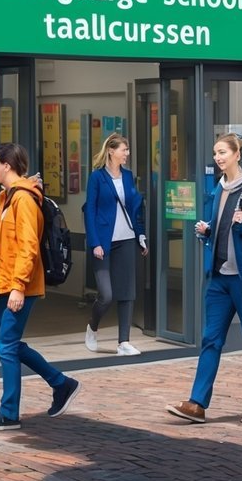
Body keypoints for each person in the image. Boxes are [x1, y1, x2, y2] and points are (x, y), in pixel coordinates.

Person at [167, 133, 242, 424]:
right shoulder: (219, 188)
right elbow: (220, 226)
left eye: (223, 152)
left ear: (237, 154)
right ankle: (197, 404)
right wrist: (207, 230)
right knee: (210, 339)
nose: (218, 158)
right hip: (219, 277)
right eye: (215, 153)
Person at [0, 143, 82, 430]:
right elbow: (6, 242)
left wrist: (19, 287)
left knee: (6, 347)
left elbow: (29, 246)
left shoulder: (23, 199)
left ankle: (9, 413)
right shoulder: (5, 198)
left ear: (7, 165)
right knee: (10, 344)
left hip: (19, 285)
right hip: (4, 282)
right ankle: (61, 383)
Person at [82, 133, 148, 356]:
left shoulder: (128, 177)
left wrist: (141, 236)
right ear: (111, 151)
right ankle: (92, 326)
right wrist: (95, 243)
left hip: (127, 239)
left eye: (127, 150)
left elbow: (134, 211)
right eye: (124, 150)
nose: (127, 154)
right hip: (104, 241)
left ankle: (123, 342)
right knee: (106, 295)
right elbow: (90, 210)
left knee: (127, 292)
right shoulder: (97, 177)